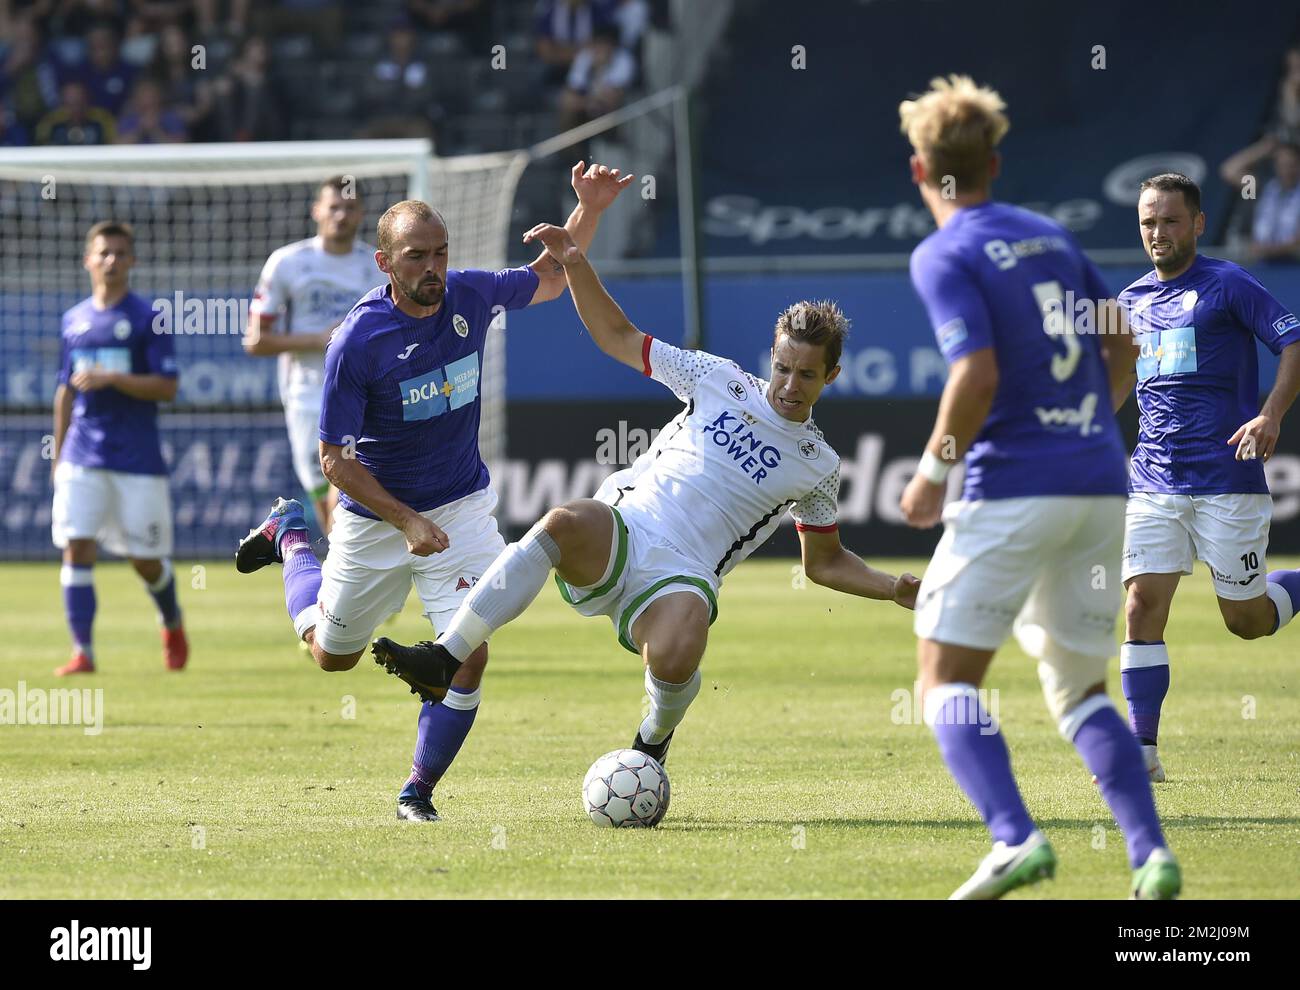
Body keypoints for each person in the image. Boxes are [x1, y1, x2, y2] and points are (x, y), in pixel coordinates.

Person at [368, 224, 920, 821]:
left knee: (683, 643)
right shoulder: (719, 378)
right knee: (561, 520)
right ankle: (444, 659)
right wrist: (576, 263)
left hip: (683, 575)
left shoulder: (819, 464)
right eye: (784, 366)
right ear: (773, 354)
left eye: (806, 375)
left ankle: (650, 746)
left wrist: (893, 588)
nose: (789, 385)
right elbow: (619, 336)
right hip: (625, 526)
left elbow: (825, 563)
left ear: (830, 376)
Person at [234, 163, 634, 822]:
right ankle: (293, 537)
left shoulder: (470, 295)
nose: (433, 267)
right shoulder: (356, 341)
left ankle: (417, 791)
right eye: (417, 256)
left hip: (461, 506)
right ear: (384, 262)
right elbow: (333, 460)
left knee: (468, 653)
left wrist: (587, 209)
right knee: (333, 659)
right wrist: (405, 519)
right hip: (375, 518)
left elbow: (553, 276)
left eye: (440, 252)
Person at [897, 75, 1179, 899]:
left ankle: (1015, 838)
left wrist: (929, 474)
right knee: (1082, 690)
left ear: (921, 172)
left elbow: (975, 374)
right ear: (996, 160)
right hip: (1097, 484)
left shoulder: (943, 252)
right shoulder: (1050, 238)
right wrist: (1093, 419)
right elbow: (1122, 333)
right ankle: (1151, 855)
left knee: (944, 680)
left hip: (1012, 487)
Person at [1115, 172, 1300, 782]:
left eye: (1170, 221)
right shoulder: (1131, 302)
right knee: (1142, 604)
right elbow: (1117, 384)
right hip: (1153, 481)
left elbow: (1293, 341)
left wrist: (1270, 414)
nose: (1158, 232)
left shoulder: (1228, 283)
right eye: (1148, 222)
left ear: (1196, 223)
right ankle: (1141, 754)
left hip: (1227, 477)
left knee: (1245, 622)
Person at [51, 220, 187, 675]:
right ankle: (83, 652)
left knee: (145, 560)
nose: (111, 261)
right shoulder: (73, 320)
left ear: (133, 261)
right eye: (103, 253)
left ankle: (170, 620)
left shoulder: (148, 319)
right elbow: (65, 391)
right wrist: (59, 451)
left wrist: (114, 379)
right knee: (76, 545)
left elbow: (167, 387)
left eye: (120, 253)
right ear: (88, 259)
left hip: (137, 459)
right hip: (81, 455)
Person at [243, 176, 377, 536]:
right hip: (306, 393)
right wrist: (320, 339)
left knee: (348, 480)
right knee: (325, 497)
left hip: (363, 392)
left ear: (361, 213)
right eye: (333, 207)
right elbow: (255, 340)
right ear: (317, 210)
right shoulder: (287, 262)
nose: (341, 215)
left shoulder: (377, 266)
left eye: (349, 208)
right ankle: (341, 566)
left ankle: (347, 569)